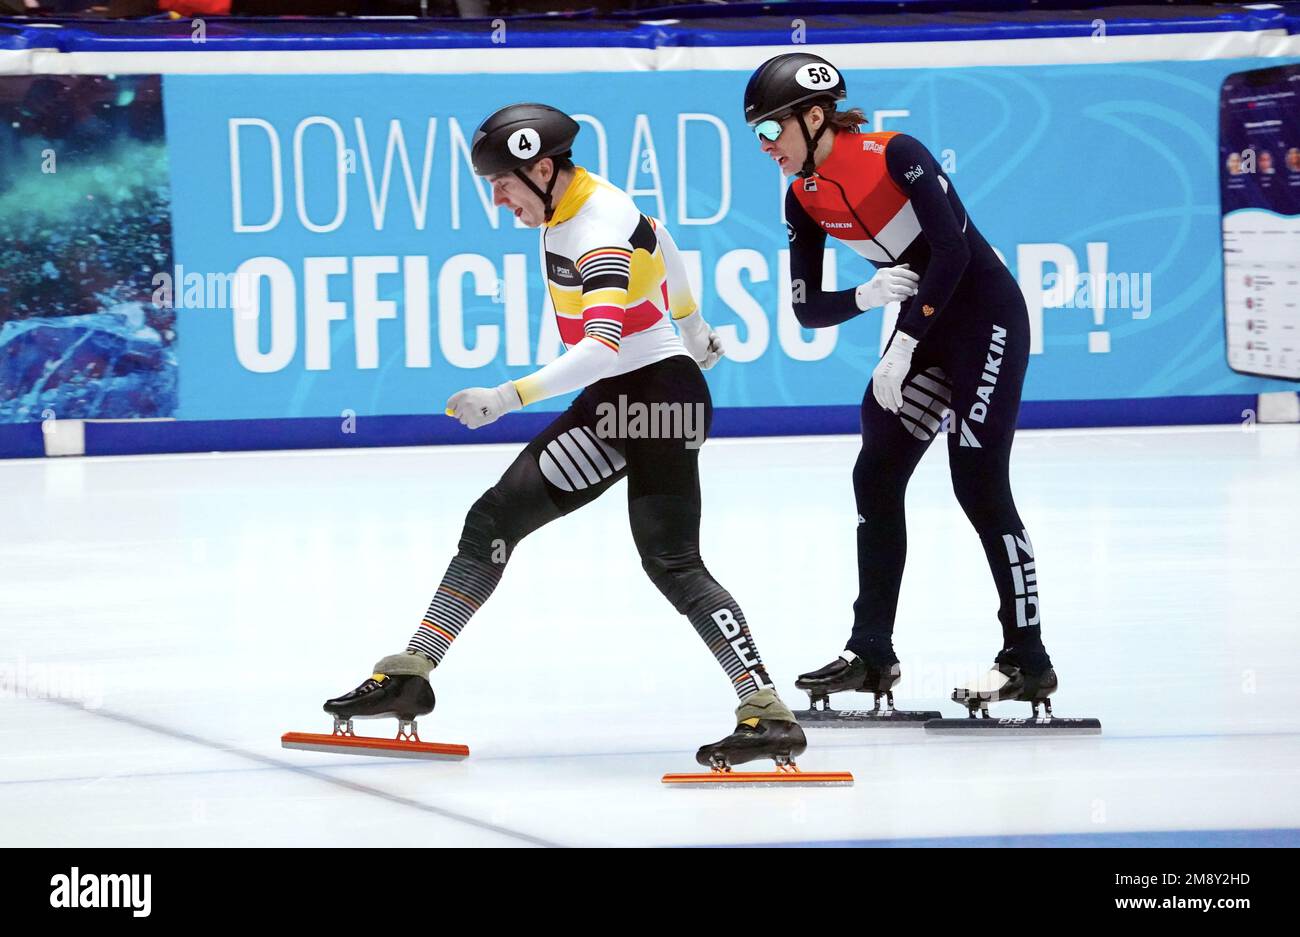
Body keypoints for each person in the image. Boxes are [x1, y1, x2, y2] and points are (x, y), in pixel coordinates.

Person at [320, 103, 805, 769]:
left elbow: (602, 345)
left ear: (543, 168)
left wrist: (506, 396)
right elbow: (661, 239)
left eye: (503, 183)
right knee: (494, 518)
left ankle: (766, 709)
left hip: (653, 398)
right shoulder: (580, 201)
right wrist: (691, 325)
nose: (497, 199)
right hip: (630, 396)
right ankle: (414, 668)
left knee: (673, 561)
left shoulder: (592, 229)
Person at [745, 53, 1057, 710]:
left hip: (985, 317)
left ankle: (1027, 657)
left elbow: (954, 251)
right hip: (922, 326)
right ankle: (871, 653)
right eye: (757, 136)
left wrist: (904, 342)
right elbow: (807, 307)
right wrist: (866, 295)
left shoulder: (896, 154)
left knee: (977, 481)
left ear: (815, 115)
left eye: (772, 130)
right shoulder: (803, 197)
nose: (766, 146)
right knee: (876, 473)